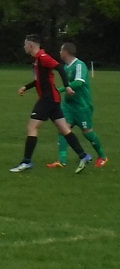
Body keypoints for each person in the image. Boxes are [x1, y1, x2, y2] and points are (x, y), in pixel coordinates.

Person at [10, 35, 90, 173]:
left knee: (32, 127)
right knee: (64, 129)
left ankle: (26, 162)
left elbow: (59, 67)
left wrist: (67, 86)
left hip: (48, 99)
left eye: (25, 44)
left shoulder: (43, 57)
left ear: (30, 45)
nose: (24, 47)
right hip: (52, 98)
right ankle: (83, 156)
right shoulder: (37, 60)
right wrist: (26, 87)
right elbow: (40, 80)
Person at [48, 42, 107, 168]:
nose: (59, 52)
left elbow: (79, 82)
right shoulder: (65, 67)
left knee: (87, 132)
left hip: (82, 105)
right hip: (68, 105)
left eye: (61, 50)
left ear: (66, 52)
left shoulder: (79, 65)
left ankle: (102, 157)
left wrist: (58, 90)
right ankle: (62, 161)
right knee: (63, 129)